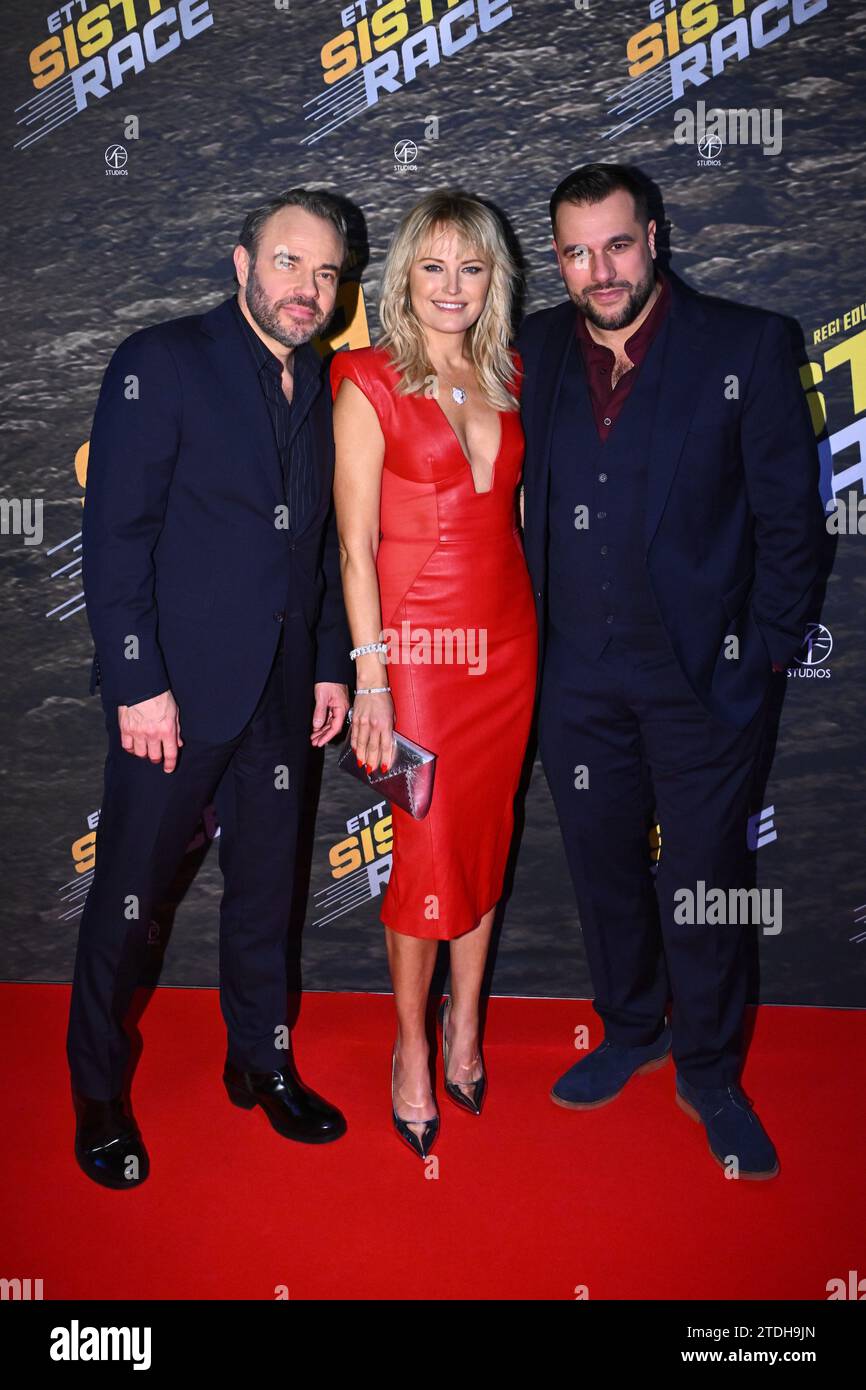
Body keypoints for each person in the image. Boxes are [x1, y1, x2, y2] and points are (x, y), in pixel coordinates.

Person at [518, 163, 824, 1179]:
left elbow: (791, 519)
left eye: (616, 245)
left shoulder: (746, 343)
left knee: (706, 879)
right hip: (574, 678)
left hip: (705, 678)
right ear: (557, 259)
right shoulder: (533, 346)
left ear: (654, 237)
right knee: (603, 866)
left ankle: (711, 1071)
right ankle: (628, 1026)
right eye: (576, 252)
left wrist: (765, 649)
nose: (599, 271)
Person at [67, 188, 354, 1188]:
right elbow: (115, 539)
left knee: (267, 894)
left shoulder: (323, 385)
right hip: (174, 700)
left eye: (325, 272)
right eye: (288, 262)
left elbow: (317, 547)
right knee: (128, 901)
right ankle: (98, 1092)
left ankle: (260, 1061)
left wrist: (328, 662)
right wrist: (138, 685)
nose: (306, 287)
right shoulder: (161, 362)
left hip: (281, 692)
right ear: (242, 264)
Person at [330, 190, 537, 1159]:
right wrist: (370, 680)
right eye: (433, 266)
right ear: (404, 276)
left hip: (508, 644)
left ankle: (466, 1027)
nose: (452, 286)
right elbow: (354, 549)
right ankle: (411, 1044)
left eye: (472, 267)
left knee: (485, 837)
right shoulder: (367, 379)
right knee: (426, 848)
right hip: (413, 654)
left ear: (495, 278)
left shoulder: (510, 373)